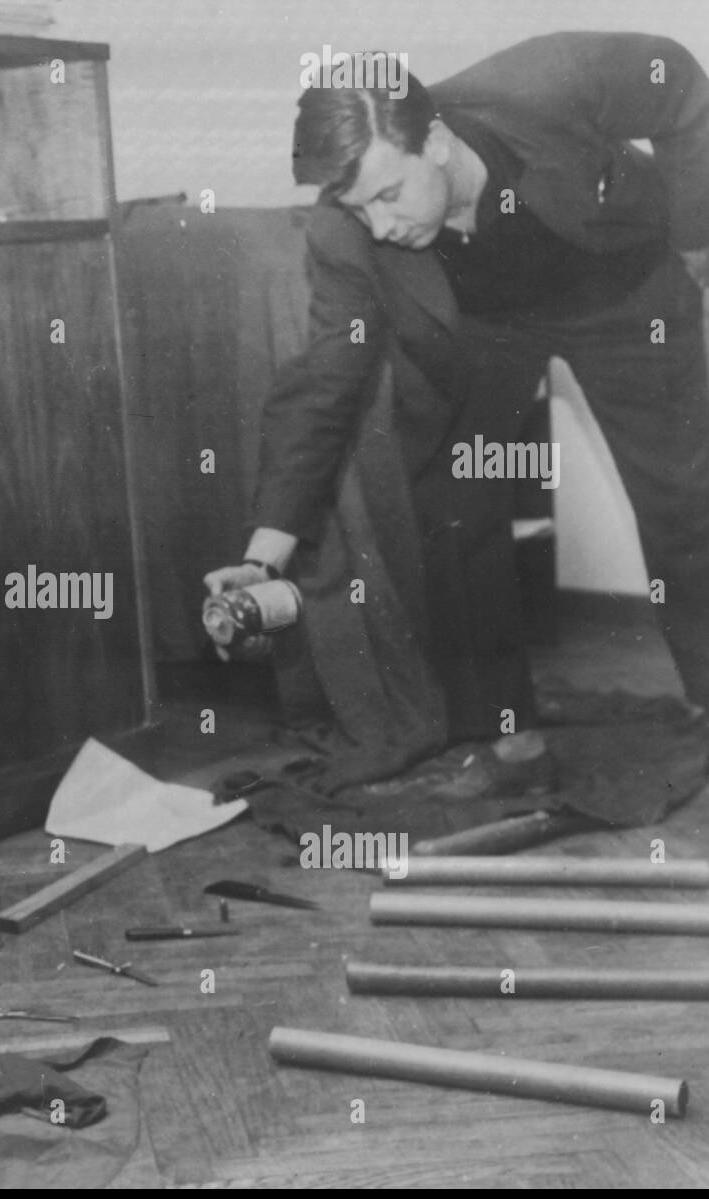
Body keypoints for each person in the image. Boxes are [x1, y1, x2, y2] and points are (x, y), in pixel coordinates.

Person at [205, 31, 709, 795]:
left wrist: (700, 244)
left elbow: (677, 81)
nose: (380, 226)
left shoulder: (548, 86)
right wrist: (265, 550)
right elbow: (324, 383)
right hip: (485, 329)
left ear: (434, 141)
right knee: (453, 508)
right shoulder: (347, 231)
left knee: (683, 501)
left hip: (622, 289)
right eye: (354, 205)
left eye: (387, 194)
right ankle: (509, 744)